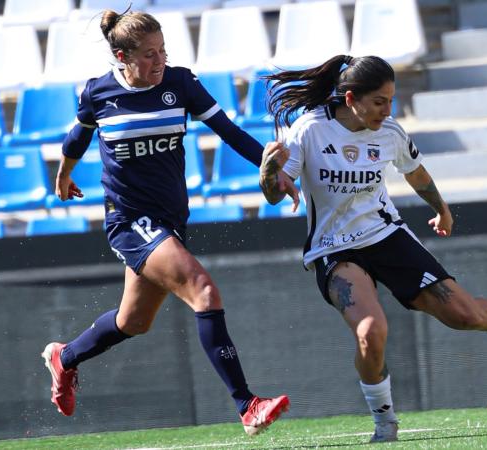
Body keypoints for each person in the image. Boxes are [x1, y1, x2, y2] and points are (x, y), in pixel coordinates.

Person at [258, 55, 487, 443]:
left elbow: (415, 172)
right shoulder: (308, 131)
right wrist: (269, 174)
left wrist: (442, 209)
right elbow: (273, 195)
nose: (388, 111)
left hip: (386, 236)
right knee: (371, 332)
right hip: (334, 250)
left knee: (464, 316)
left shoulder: (390, 132)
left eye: (391, 100)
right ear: (351, 98)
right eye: (379, 102)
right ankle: (385, 423)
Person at [41, 9, 297, 436]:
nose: (160, 61)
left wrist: (275, 172)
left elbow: (228, 130)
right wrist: (65, 173)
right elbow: (78, 136)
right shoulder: (98, 93)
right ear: (121, 56)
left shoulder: (179, 83)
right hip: (128, 221)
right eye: (148, 54)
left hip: (169, 221)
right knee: (204, 290)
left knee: (133, 322)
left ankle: (64, 358)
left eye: (163, 51)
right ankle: (247, 405)